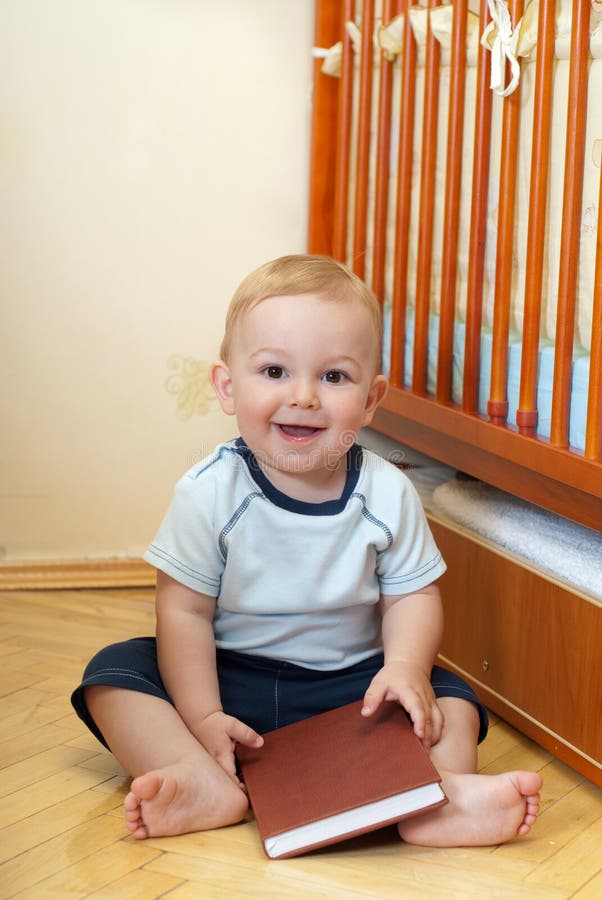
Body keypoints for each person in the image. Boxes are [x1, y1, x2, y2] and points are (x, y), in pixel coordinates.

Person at [71, 254, 542, 848]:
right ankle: (197, 774)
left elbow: (412, 596)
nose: (303, 396)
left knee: (451, 697)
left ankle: (435, 796)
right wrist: (203, 718)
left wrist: (403, 669)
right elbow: (183, 613)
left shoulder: (387, 492)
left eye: (334, 377)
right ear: (226, 386)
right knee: (114, 674)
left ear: (371, 401)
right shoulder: (209, 493)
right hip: (230, 680)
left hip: (354, 690)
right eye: (272, 371)